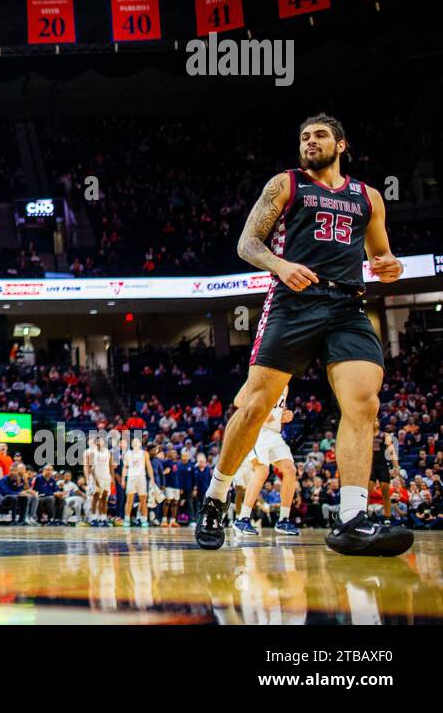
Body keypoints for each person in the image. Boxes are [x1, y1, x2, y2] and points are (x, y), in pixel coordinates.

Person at [195, 115, 413, 556]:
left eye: (319, 136)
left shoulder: (368, 197)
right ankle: (216, 497)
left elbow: (381, 252)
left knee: (364, 402)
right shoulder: (286, 184)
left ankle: (352, 519)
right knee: (255, 405)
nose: (310, 142)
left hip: (348, 304)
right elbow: (248, 243)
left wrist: (389, 265)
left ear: (342, 144)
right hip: (294, 301)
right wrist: (280, 265)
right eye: (304, 137)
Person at [233, 388, 300, 536]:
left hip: (274, 434)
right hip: (257, 432)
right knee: (262, 471)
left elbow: (277, 410)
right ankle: (242, 518)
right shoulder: (260, 372)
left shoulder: (285, 384)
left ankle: (283, 520)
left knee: (290, 470)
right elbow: (238, 401)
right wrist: (260, 414)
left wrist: (284, 416)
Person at [122, 434, 155, 527]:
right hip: (131, 477)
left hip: (141, 478)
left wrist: (152, 478)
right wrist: (123, 479)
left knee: (143, 500)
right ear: (132, 444)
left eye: (137, 442)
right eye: (134, 442)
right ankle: (127, 519)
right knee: (129, 500)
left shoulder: (144, 453)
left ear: (140, 444)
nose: (136, 443)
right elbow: (125, 467)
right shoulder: (128, 453)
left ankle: (144, 519)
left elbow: (149, 466)